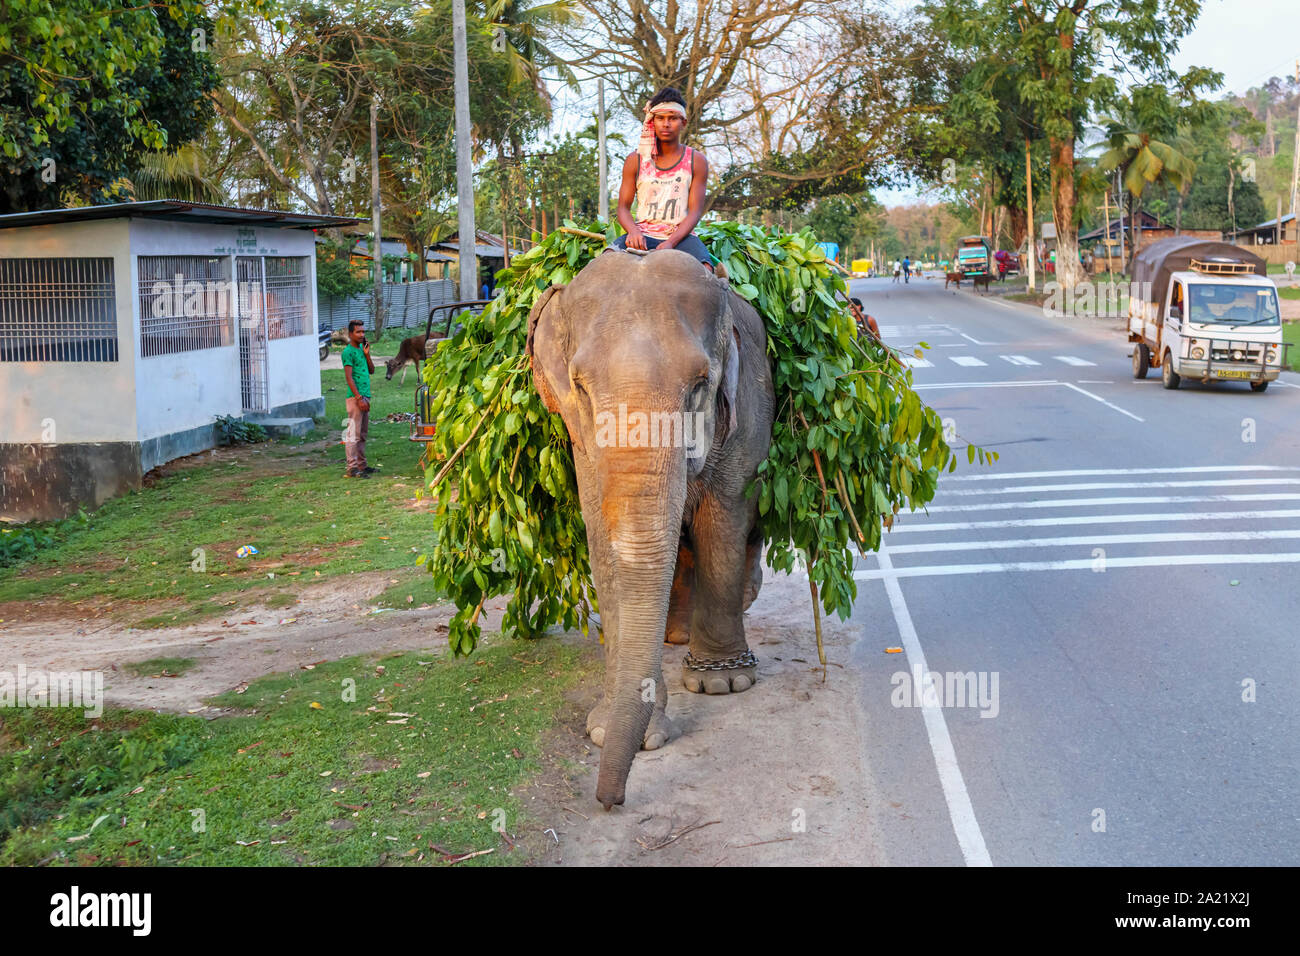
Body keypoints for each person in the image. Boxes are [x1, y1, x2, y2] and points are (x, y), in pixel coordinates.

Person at [610, 86, 714, 272]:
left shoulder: (696, 160)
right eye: (660, 118)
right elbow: (623, 208)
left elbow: (695, 212)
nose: (666, 124)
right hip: (642, 235)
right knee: (605, 263)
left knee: (706, 271)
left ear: (683, 122)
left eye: (672, 118)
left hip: (682, 237)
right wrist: (633, 232)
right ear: (652, 121)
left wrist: (671, 243)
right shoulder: (635, 160)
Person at [341, 319, 376, 478]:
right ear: (350, 334)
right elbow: (349, 378)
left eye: (363, 331)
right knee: (352, 434)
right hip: (356, 398)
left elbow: (372, 370)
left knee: (362, 434)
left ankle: (362, 465)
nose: (362, 334)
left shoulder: (363, 348)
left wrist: (367, 355)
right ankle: (352, 468)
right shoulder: (347, 352)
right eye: (358, 332)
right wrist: (359, 398)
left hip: (365, 396)